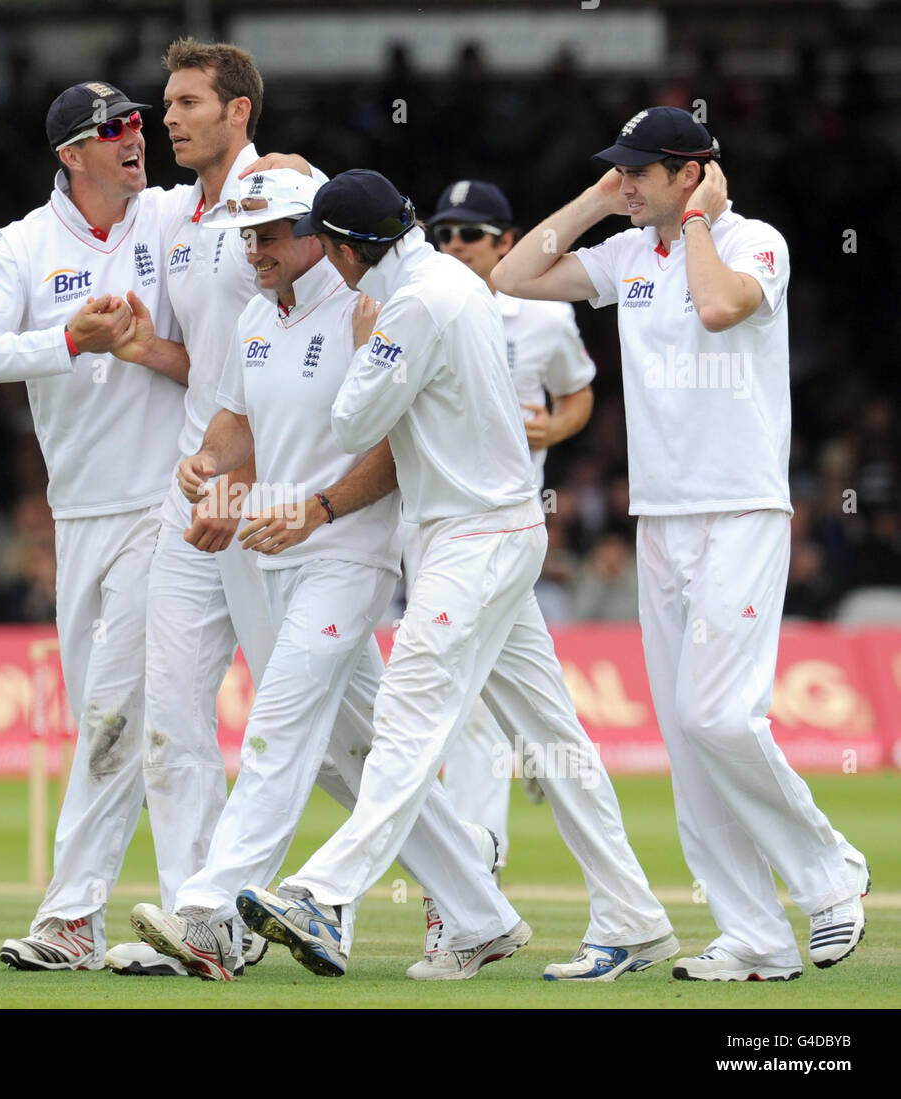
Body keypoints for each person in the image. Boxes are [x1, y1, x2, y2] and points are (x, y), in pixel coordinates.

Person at [238, 171, 676, 981]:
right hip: (486, 528)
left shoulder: (412, 303)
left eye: (325, 249)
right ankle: (634, 917)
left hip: (473, 535)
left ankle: (323, 892)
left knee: (407, 717)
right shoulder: (445, 280)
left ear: (341, 248)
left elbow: (352, 420)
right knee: (554, 742)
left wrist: (367, 343)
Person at [492, 106, 870, 980]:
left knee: (717, 715)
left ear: (690, 173)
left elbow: (719, 308)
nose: (625, 183)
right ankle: (755, 936)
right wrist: (599, 196)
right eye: (616, 170)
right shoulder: (627, 251)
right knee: (687, 736)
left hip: (741, 507)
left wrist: (697, 218)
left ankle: (828, 872)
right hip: (661, 516)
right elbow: (513, 273)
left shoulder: (755, 242)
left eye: (638, 172)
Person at [128, 170, 509, 980]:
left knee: (279, 728)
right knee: (360, 755)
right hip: (274, 553)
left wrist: (322, 508)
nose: (253, 250)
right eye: (246, 234)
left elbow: (396, 447)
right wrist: (210, 468)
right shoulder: (254, 314)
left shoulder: (370, 309)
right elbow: (239, 423)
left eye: (268, 234)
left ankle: (211, 913)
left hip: (348, 553)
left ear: (318, 238)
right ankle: (481, 914)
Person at [0, 81, 192, 969]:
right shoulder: (23, 246)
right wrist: (68, 342)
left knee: (124, 712)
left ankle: (75, 916)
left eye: (139, 124)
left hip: (173, 506)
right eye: (111, 130)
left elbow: (270, 191)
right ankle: (212, 911)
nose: (135, 138)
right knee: (122, 719)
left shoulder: (172, 215)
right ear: (69, 154)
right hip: (80, 513)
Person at [104, 38, 325, 977]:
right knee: (173, 717)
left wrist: (250, 477)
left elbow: (314, 354)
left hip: (275, 500)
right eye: (168, 101)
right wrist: (145, 351)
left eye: (190, 101)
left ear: (240, 110)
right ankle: (203, 924)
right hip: (198, 492)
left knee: (332, 731)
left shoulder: (286, 191)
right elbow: (216, 367)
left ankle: (462, 898)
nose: (170, 116)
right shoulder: (181, 215)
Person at [421, 179, 597, 882]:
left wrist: (554, 424)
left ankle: (477, 851)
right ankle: (530, 776)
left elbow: (579, 389)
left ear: (507, 241)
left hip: (511, 522)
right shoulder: (422, 306)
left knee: (462, 692)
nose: (453, 246)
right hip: (440, 525)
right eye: (443, 234)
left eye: (469, 233)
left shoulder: (543, 316)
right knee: (498, 694)